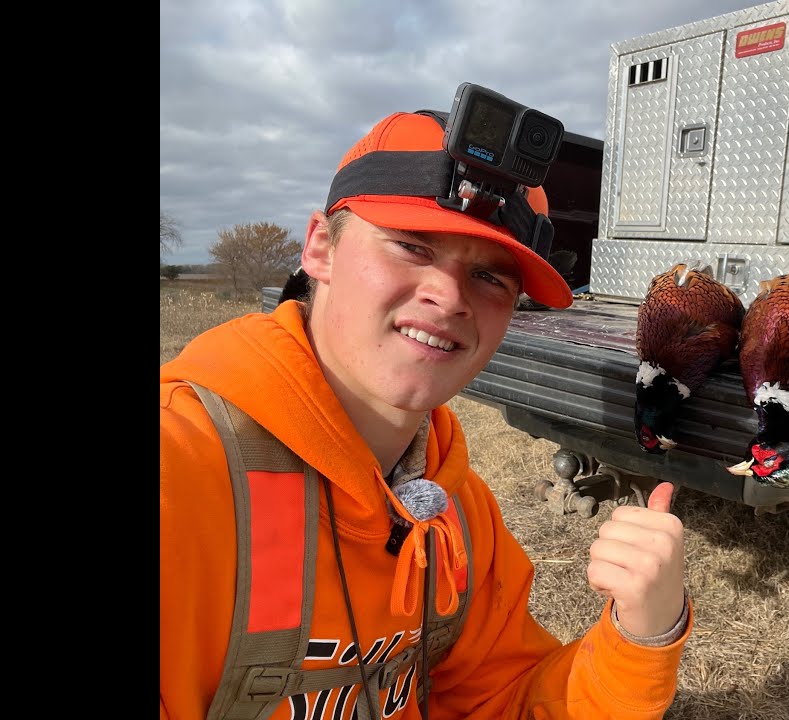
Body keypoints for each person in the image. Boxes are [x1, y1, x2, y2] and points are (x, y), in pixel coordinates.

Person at [160, 109, 691, 719]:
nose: (449, 296)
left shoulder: (456, 514)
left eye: (490, 275)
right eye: (411, 247)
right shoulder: (181, 474)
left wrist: (642, 632)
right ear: (320, 248)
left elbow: (506, 704)